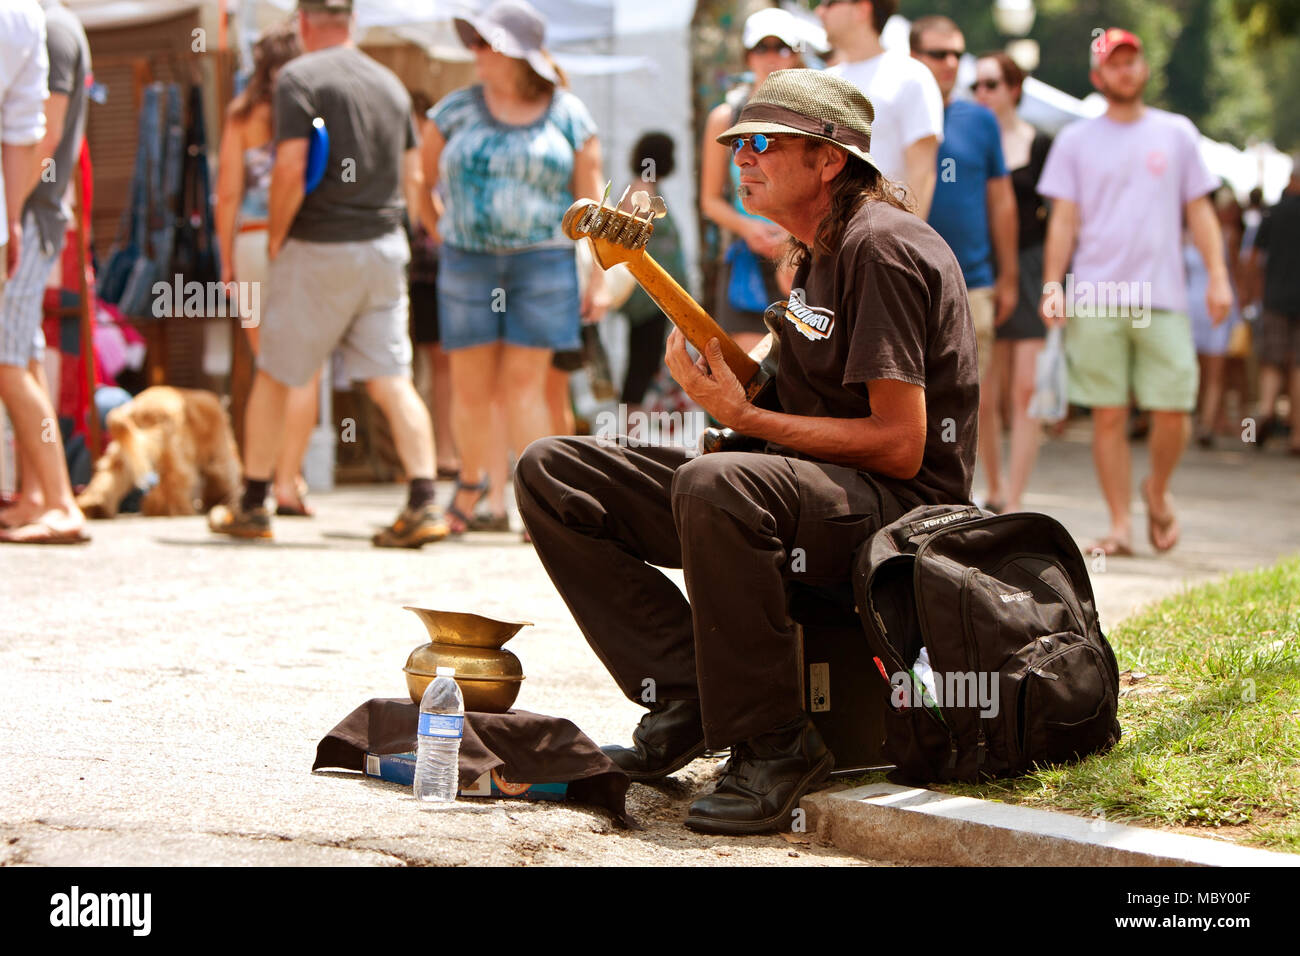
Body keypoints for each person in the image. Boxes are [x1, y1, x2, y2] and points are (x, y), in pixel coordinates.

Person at [515, 69, 977, 834]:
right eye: (736, 144)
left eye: (762, 143)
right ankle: (687, 693)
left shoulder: (882, 249)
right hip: (811, 487)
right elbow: (779, 401)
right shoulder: (809, 254)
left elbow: (900, 447)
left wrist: (737, 415)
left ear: (829, 160)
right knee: (554, 470)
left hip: (898, 514)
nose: (741, 158)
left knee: (714, 483)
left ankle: (775, 744)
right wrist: (725, 384)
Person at [210, 0, 449, 546]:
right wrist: (399, 236)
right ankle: (423, 500)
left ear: (304, 21)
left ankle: (252, 504)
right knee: (392, 379)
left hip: (318, 246)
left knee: (277, 373)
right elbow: (413, 177)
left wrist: (276, 237)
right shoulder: (390, 83)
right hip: (384, 248)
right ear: (352, 22)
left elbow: (292, 167)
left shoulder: (299, 76)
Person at [1037, 29, 1231, 556]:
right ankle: (1120, 525)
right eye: (1114, 64)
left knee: (1174, 409)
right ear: (1099, 76)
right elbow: (1063, 221)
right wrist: (1053, 284)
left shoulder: (1178, 133)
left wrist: (1218, 274)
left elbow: (1200, 211)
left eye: (1132, 61)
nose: (1125, 70)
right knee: (1108, 413)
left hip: (1162, 296)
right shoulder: (1076, 140)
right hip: (1095, 296)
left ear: (1143, 69)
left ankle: (1157, 489)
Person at [423, 0, 607, 536]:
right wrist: (440, 230)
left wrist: (598, 273)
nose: (473, 52)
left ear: (515, 53)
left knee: (526, 387)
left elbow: (591, 201)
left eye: (484, 42)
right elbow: (420, 177)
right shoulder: (452, 110)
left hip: (542, 261)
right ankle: (470, 488)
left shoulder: (569, 112)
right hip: (467, 261)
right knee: (470, 387)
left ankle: (536, 503)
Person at [910, 17, 1017, 512]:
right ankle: (918, 503)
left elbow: (1001, 202)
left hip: (973, 283)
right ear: (914, 57)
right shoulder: (894, 110)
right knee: (908, 397)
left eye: (957, 54)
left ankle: (965, 505)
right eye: (937, 53)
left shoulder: (980, 120)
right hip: (904, 280)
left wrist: (1008, 276)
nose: (950, 63)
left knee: (972, 400)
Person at [214, 20, 319, 517]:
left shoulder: (241, 116)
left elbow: (229, 194)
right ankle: (287, 482)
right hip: (305, 245)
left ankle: (264, 474)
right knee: (307, 369)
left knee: (269, 367)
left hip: (252, 244)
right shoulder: (315, 110)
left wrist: (226, 258)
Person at [1, 0, 92, 545]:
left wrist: (12, 212)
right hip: (35, 215)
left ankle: (60, 501)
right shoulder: (56, 25)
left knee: (6, 361)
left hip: (29, 216)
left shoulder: (48, 28)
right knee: (24, 356)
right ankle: (38, 494)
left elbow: (48, 131)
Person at [699, 7, 825, 355]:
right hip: (748, 262)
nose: (771, 57)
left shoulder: (814, 114)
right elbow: (709, 200)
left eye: (781, 47)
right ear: (747, 55)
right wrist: (747, 228)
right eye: (761, 48)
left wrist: (793, 237)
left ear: (797, 54)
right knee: (753, 375)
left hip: (803, 254)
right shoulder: (725, 115)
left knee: (803, 371)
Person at [972, 49, 1052, 512]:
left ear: (1014, 89)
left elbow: (1060, 217)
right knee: (983, 390)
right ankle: (995, 487)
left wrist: (1056, 283)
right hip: (984, 268)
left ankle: (1016, 497)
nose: (983, 93)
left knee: (1026, 390)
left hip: (1031, 266)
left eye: (992, 85)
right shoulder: (967, 139)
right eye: (977, 86)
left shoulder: (1039, 144)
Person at [820, 0, 943, 217]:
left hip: (888, 237)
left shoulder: (911, 76)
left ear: (862, 9)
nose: (820, 11)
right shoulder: (825, 80)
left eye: (829, 3)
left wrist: (904, 243)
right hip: (832, 239)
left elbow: (922, 174)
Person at [405, 90, 460, 482]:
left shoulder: (445, 157)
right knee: (428, 369)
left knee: (447, 368)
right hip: (421, 273)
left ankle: (449, 452)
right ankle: (438, 453)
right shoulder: (410, 159)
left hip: (447, 270)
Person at [621, 131, 687, 411]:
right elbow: (627, 241)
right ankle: (626, 438)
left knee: (645, 365)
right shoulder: (641, 192)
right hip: (645, 297)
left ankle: (629, 434)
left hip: (655, 296)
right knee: (641, 365)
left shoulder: (649, 188)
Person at [1247, 155, 1300, 454]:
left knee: (1272, 360)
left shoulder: (1274, 213)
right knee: (1298, 365)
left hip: (1274, 297)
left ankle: (1267, 410)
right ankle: (1296, 433)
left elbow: (1254, 259)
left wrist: (1251, 294)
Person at [1185, 185, 1243, 448]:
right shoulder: (1185, 235)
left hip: (1214, 305)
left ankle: (1206, 423)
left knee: (1212, 371)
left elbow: (1236, 274)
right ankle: (1201, 421)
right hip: (1193, 307)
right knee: (1200, 371)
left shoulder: (1225, 235)